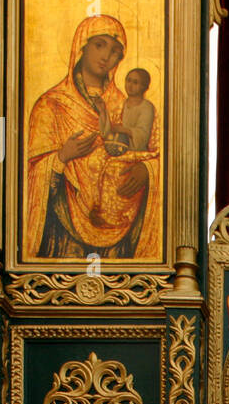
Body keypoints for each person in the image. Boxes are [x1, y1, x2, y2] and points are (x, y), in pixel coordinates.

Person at [25, 15, 161, 260]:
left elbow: (155, 153)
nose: (106, 56)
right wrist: (62, 157)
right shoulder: (52, 104)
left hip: (119, 226)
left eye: (115, 52)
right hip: (64, 232)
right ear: (81, 46)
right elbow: (30, 177)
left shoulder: (125, 105)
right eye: (99, 45)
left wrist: (146, 171)